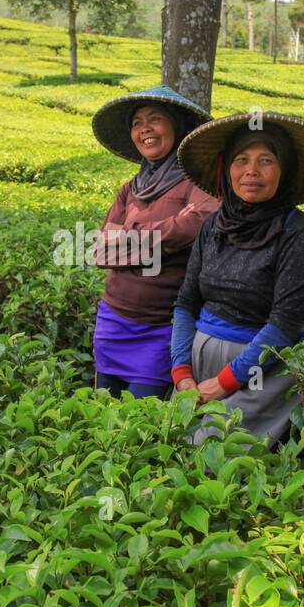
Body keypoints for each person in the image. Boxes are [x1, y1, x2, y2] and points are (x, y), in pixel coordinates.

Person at [170, 112, 304, 448]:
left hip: (263, 370)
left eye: (266, 160)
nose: (251, 171)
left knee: (218, 456)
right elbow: (186, 302)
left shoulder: (298, 233)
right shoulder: (214, 226)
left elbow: (285, 324)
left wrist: (224, 382)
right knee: (180, 449)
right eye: (241, 160)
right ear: (227, 168)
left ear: (285, 170)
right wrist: (181, 373)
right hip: (198, 363)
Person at [89, 86, 218, 399]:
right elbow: (102, 250)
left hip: (160, 326)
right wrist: (161, 243)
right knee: (102, 410)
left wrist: (130, 237)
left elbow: (197, 223)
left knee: (140, 419)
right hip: (113, 319)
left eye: (155, 119)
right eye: (136, 122)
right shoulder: (130, 188)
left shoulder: (198, 182)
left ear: (177, 127)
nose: (144, 128)